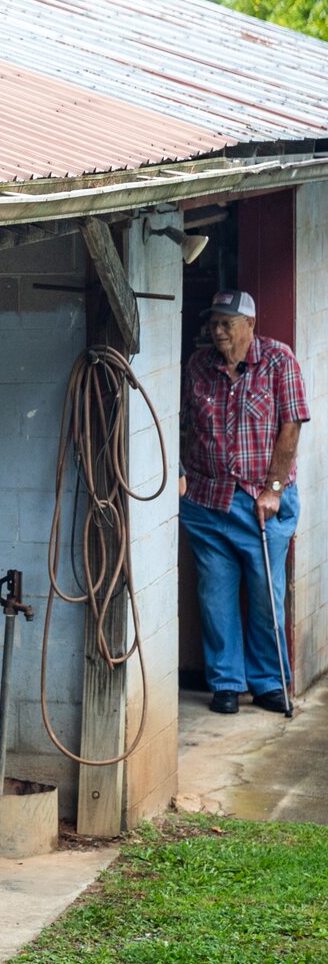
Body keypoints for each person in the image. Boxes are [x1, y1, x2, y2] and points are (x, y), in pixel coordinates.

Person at [180, 290, 309, 714]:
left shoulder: (278, 360)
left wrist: (273, 488)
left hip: (260, 501)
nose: (217, 331)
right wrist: (180, 471)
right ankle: (226, 683)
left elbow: (290, 425)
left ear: (250, 325)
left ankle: (269, 682)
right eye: (214, 322)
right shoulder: (198, 365)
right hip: (206, 499)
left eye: (227, 323)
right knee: (215, 594)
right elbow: (179, 421)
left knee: (264, 593)